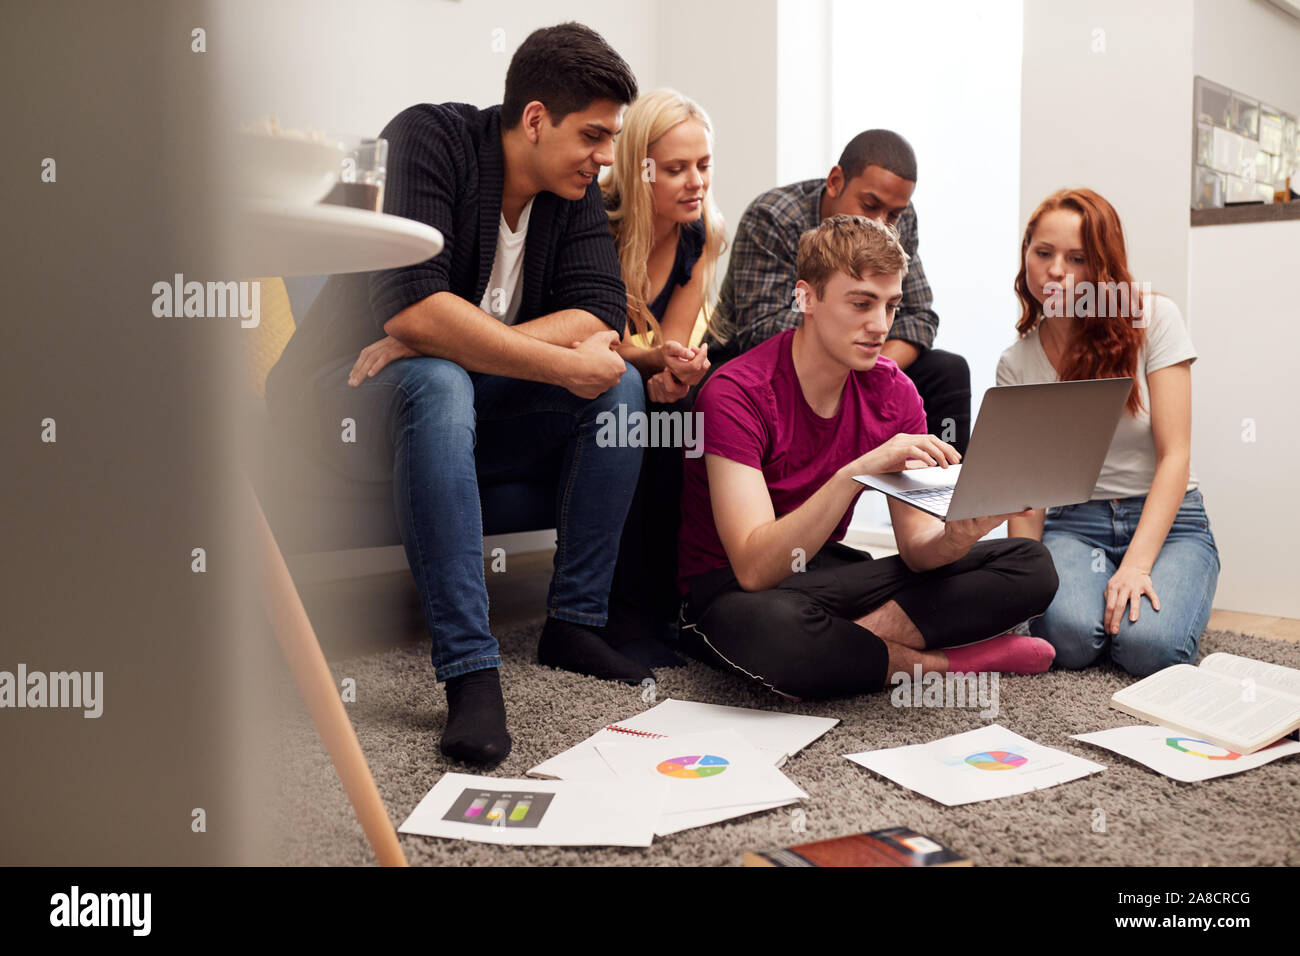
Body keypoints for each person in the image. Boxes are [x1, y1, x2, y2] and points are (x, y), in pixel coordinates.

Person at [266, 23, 648, 767]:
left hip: (459, 392)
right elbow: (411, 309)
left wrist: (449, 334)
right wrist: (442, 338)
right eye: (594, 135)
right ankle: (471, 672)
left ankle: (574, 621)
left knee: (620, 386)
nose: (606, 159)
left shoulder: (570, 191)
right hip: (346, 394)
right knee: (441, 379)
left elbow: (598, 310)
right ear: (535, 119)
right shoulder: (426, 139)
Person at [676, 215, 1059, 699]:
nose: (879, 326)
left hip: (826, 576)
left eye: (891, 306)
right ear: (806, 298)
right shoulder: (735, 393)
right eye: (861, 303)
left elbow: (919, 552)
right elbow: (754, 569)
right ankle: (942, 663)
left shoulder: (896, 392)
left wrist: (959, 535)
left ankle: (850, 646)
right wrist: (856, 474)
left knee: (1030, 564)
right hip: (735, 590)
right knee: (771, 627)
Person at [998, 188, 1220, 678]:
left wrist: (1138, 565)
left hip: (1170, 522)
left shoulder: (1155, 318)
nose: (1056, 270)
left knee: (1151, 651)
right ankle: (1101, 609)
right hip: (1076, 523)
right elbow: (1029, 492)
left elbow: (1175, 456)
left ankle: (1144, 600)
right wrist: (1023, 587)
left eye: (1077, 258)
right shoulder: (1016, 363)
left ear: (1102, 268)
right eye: (1044, 253)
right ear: (1026, 257)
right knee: (1067, 641)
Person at [705, 129, 972, 454]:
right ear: (835, 181)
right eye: (869, 205)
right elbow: (761, 329)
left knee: (947, 370)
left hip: (852, 357)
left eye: (893, 214)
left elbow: (918, 317)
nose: (879, 223)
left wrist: (867, 370)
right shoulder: (773, 216)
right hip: (754, 362)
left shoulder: (898, 220)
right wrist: (846, 360)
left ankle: (946, 493)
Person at [598, 89, 726, 662]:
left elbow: (667, 345)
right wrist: (655, 365)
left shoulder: (701, 233)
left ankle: (679, 607)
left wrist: (678, 371)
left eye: (702, 166)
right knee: (638, 416)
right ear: (638, 169)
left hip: (631, 372)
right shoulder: (596, 224)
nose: (695, 181)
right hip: (580, 378)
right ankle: (623, 615)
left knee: (691, 416)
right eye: (675, 169)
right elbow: (590, 344)